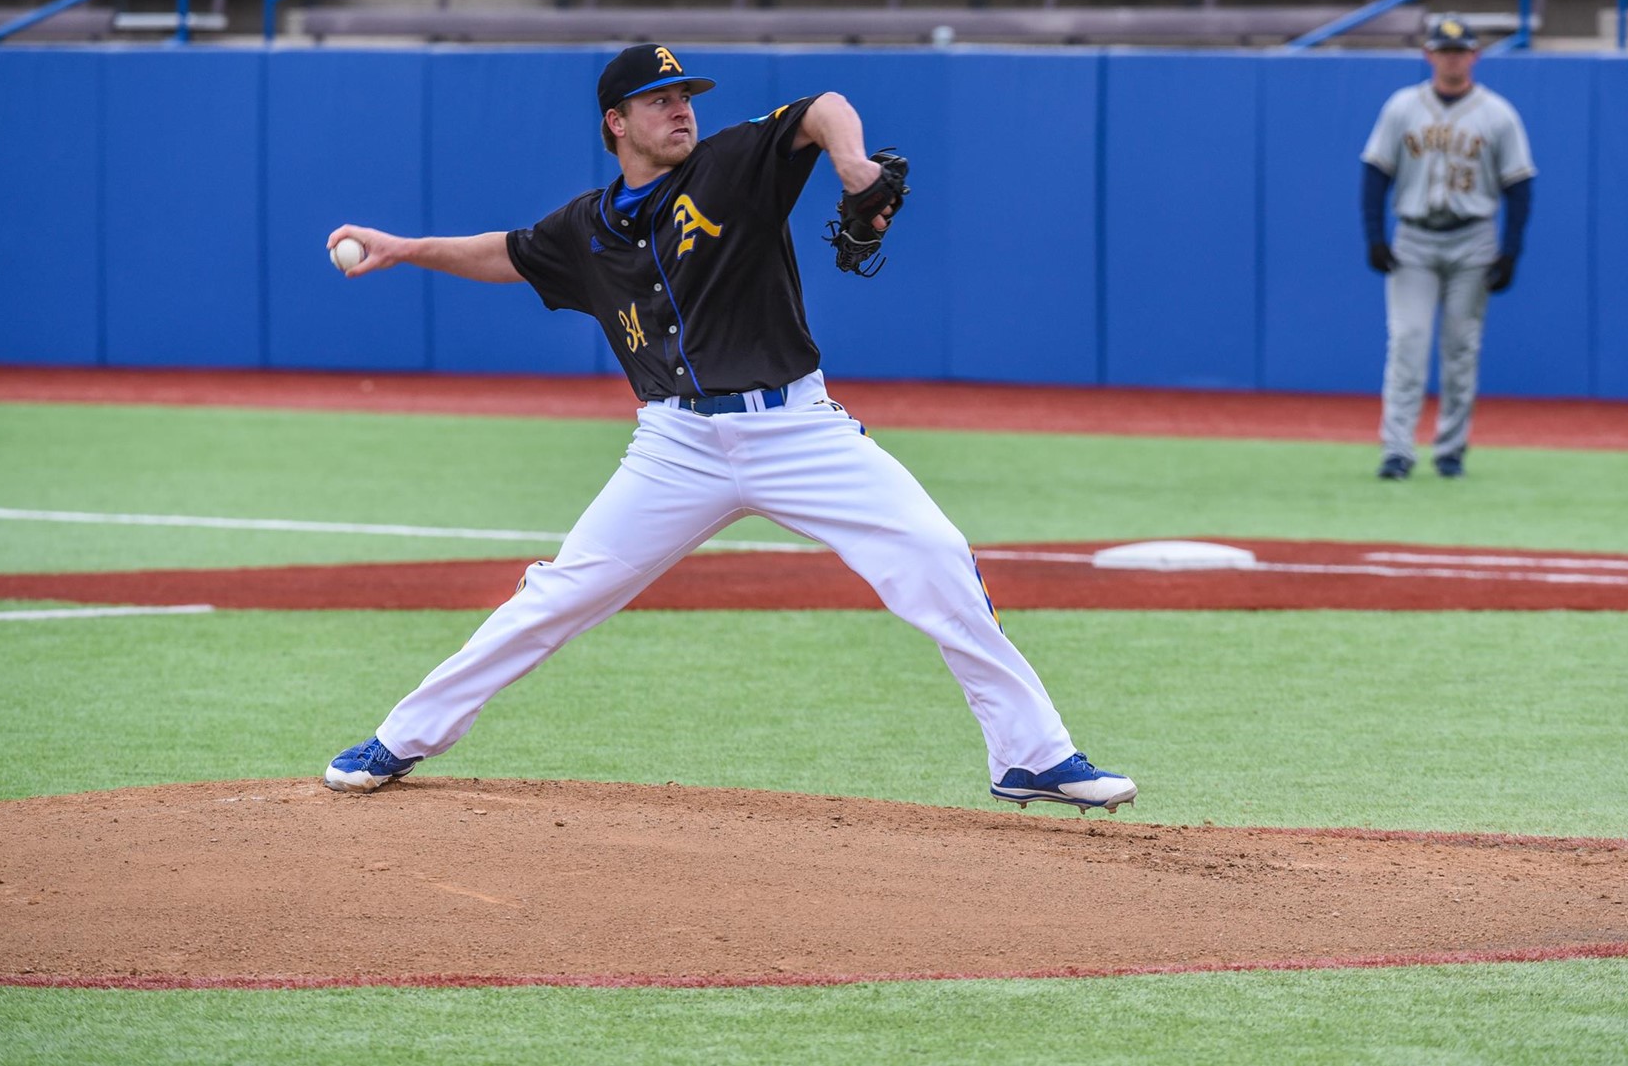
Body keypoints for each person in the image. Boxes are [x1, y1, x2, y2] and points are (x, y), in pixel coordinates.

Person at [321, 44, 1137, 815]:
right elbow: (506, 252)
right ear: (616, 121)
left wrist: (851, 165)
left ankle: (1031, 753)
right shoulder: (587, 227)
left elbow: (822, 107)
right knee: (557, 596)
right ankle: (399, 739)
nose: (681, 111)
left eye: (685, 97)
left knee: (932, 554)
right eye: (659, 100)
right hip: (674, 448)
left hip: (796, 430)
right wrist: (406, 247)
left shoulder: (733, 165)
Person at [1360, 14, 1536, 480]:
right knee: (1408, 342)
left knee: (1461, 349)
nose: (1452, 58)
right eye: (1444, 50)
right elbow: (1375, 173)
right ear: (1428, 55)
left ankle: (1451, 449)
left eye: (1460, 51)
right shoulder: (1403, 107)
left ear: (1475, 56)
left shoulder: (1497, 113)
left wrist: (1511, 249)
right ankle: (1397, 450)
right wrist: (1375, 236)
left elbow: (1518, 186)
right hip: (1414, 237)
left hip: (1473, 238)